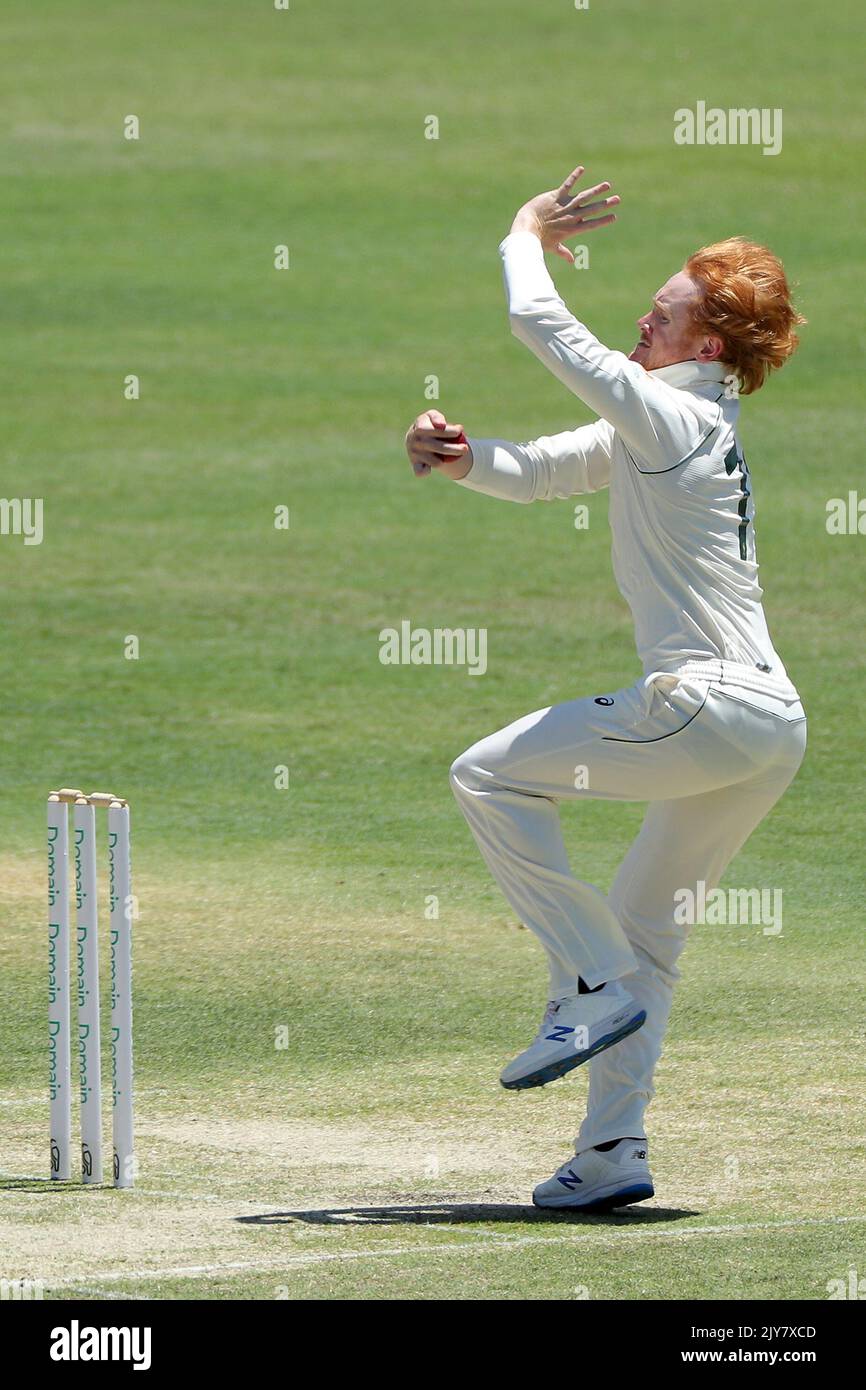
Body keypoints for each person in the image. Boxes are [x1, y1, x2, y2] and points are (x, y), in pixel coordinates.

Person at [404, 165, 807, 1212]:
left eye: (662, 312)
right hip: (765, 731)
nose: (641, 314)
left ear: (706, 344)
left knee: (486, 777)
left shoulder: (670, 419)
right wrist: (458, 460)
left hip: (704, 705)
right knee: (649, 934)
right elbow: (539, 469)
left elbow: (540, 321)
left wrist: (523, 225)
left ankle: (583, 984)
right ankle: (611, 1150)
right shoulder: (670, 420)